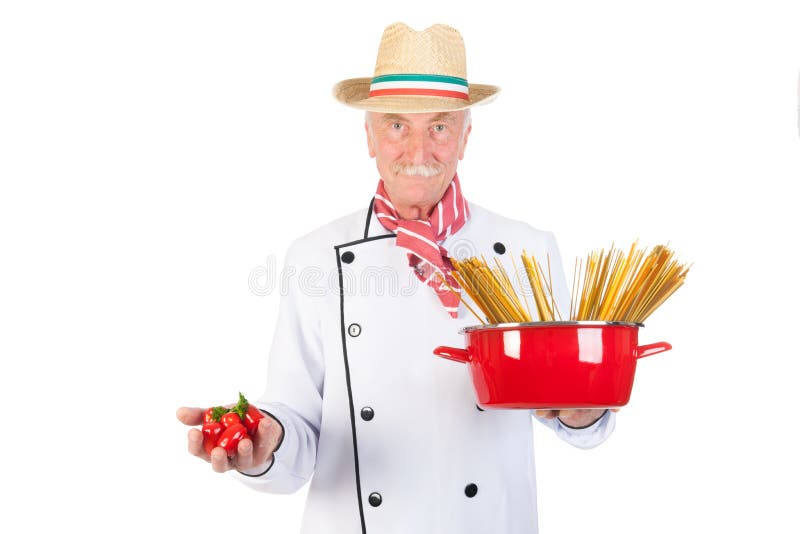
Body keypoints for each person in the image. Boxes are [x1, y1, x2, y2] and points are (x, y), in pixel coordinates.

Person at [177, 22, 615, 533]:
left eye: (440, 127)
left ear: (466, 137)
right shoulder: (315, 257)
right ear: (369, 136)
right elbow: (294, 431)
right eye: (397, 126)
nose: (419, 152)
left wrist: (581, 412)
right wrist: (266, 441)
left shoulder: (528, 252)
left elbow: (577, 417)